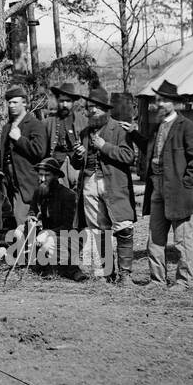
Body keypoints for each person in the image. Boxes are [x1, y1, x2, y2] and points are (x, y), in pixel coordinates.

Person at [142, 81, 193, 291]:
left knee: (182, 240)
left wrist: (187, 182)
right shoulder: (157, 127)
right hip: (157, 189)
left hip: (179, 192)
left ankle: (184, 281)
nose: (158, 104)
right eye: (157, 100)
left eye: (162, 100)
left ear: (173, 103)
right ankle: (157, 280)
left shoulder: (187, 127)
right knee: (154, 238)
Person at [70, 87, 138, 286]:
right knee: (99, 231)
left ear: (105, 109)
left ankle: (125, 275)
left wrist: (103, 146)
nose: (92, 112)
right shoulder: (84, 132)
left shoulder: (118, 129)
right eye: (89, 108)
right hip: (90, 184)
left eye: (96, 108)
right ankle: (107, 273)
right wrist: (79, 155)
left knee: (123, 227)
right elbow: (76, 164)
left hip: (114, 184)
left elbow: (128, 156)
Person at [0, 85, 51, 221]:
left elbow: (39, 151)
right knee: (12, 218)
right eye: (9, 102)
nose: (11, 105)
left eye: (15, 102)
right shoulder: (6, 127)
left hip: (26, 181)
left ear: (24, 103)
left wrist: (19, 139)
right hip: (9, 182)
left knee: (26, 218)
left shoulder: (34, 124)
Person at [28, 158, 84, 277]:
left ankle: (65, 268)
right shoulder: (39, 191)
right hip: (45, 234)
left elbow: (68, 226)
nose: (42, 179)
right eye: (40, 175)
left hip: (68, 237)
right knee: (18, 232)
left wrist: (48, 232)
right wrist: (32, 219)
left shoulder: (68, 195)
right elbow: (32, 211)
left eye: (47, 175)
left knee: (47, 243)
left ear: (56, 176)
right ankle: (41, 264)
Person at [48, 82, 89, 180]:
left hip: (77, 165)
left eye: (68, 101)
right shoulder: (48, 122)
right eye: (62, 101)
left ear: (73, 102)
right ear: (57, 100)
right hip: (56, 165)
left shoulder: (84, 121)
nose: (64, 104)